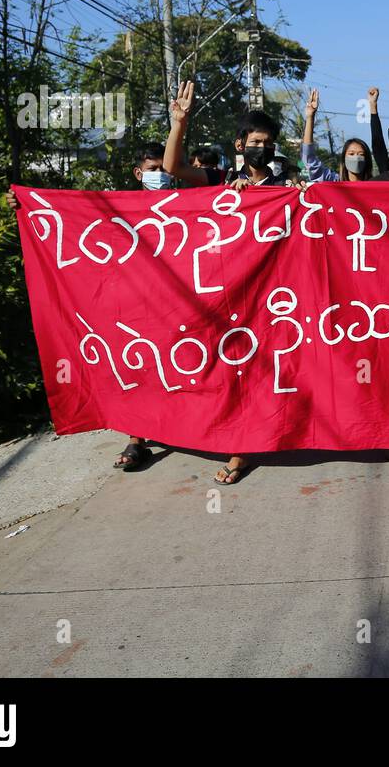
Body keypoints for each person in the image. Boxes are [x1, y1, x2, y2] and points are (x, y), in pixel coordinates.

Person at [6, 143, 174, 472]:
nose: (160, 176)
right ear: (139, 173)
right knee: (134, 367)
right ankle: (137, 439)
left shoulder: (192, 205)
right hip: (134, 305)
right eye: (153, 170)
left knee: (180, 364)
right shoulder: (119, 208)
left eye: (164, 170)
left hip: (176, 306)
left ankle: (192, 427)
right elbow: (74, 222)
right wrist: (21, 205)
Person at [163, 81, 290, 483]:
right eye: (256, 141)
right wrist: (179, 124)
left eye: (268, 143)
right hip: (228, 295)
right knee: (234, 371)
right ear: (240, 145)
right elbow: (172, 169)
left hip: (276, 295)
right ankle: (240, 449)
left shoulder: (287, 186)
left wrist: (296, 195)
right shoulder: (218, 180)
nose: (263, 149)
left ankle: (280, 433)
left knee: (275, 369)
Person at [301, 88, 372, 182]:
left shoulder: (375, 185)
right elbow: (310, 160)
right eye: (351, 154)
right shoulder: (334, 182)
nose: (356, 158)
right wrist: (310, 117)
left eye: (361, 154)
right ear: (344, 159)